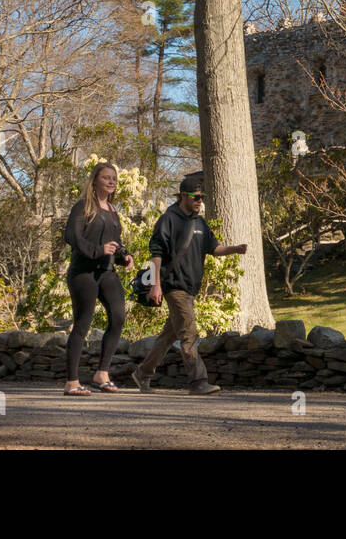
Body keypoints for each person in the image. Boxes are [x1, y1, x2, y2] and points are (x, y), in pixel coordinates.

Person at [132, 172, 247, 394]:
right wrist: (156, 285)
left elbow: (214, 248)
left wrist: (234, 249)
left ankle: (142, 373)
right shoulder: (168, 219)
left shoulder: (200, 222)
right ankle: (198, 382)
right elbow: (156, 253)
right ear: (183, 196)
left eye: (202, 197)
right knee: (189, 334)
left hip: (191, 287)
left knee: (169, 336)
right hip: (174, 286)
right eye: (196, 197)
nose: (200, 201)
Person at [63, 161, 133, 395]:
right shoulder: (83, 206)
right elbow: (72, 236)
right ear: (95, 181)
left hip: (107, 272)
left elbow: (116, 242)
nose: (111, 181)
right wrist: (98, 250)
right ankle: (71, 382)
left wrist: (125, 256)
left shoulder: (113, 211)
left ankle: (101, 373)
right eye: (106, 177)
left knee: (119, 316)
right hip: (83, 271)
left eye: (114, 177)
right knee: (83, 323)